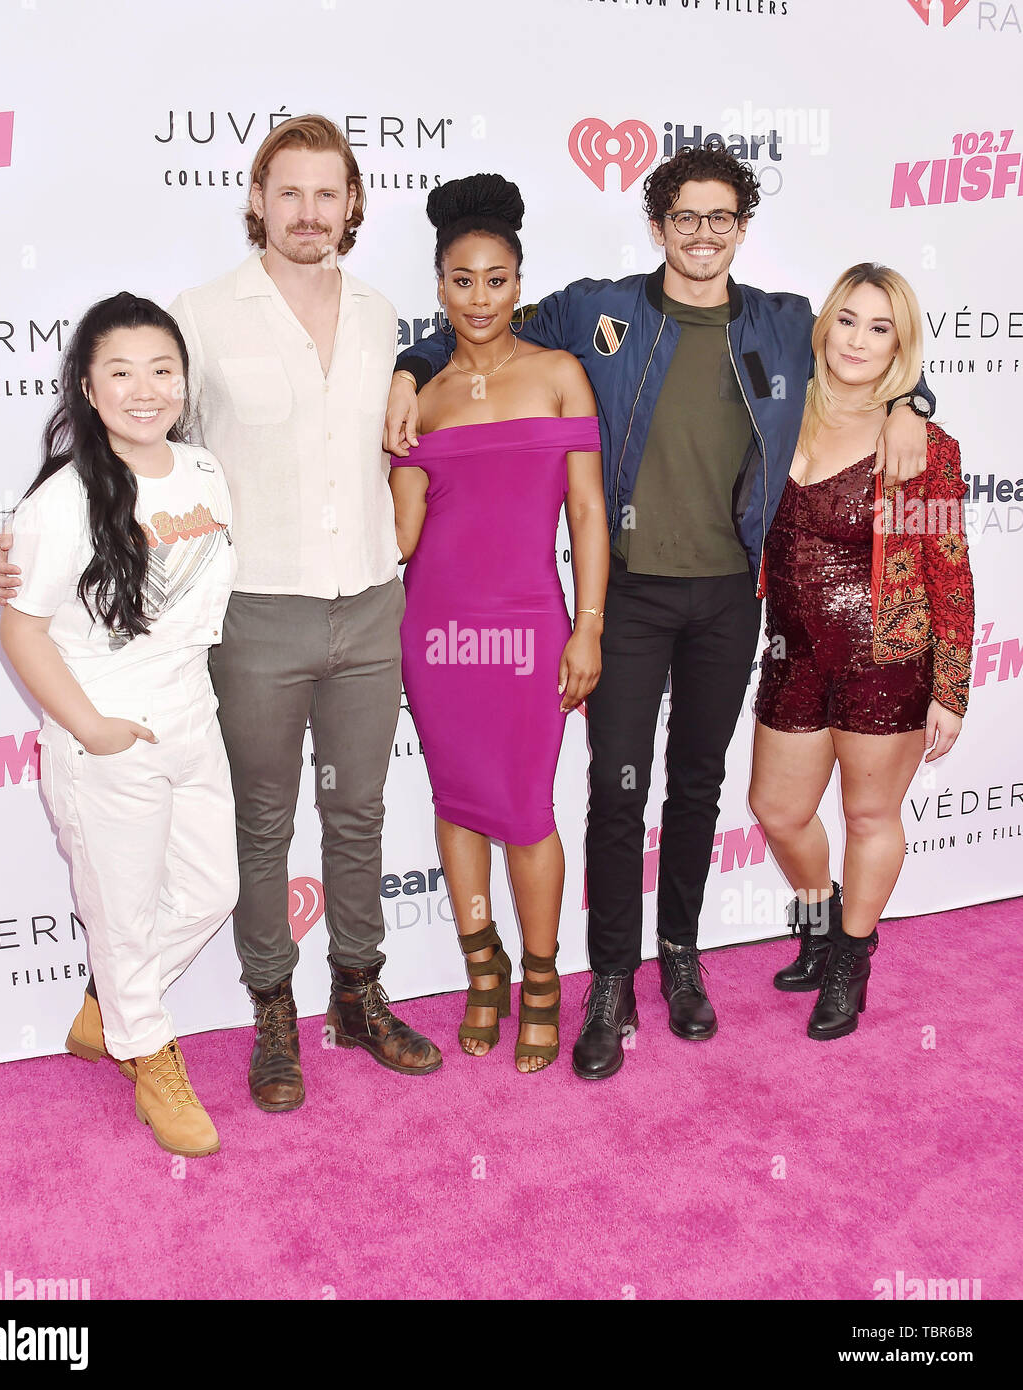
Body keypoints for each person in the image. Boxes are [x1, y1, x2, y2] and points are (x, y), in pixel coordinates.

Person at [386, 142, 935, 1081]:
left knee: (696, 787)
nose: (703, 234)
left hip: (729, 595)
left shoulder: (781, 321)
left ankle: (678, 958)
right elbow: (485, 324)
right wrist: (409, 363)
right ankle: (608, 978)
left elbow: (870, 353)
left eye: (721, 218)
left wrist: (912, 401)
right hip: (630, 595)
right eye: (686, 217)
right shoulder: (599, 309)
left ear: (742, 229)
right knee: (615, 791)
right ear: (659, 225)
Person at [0, 115, 441, 1111]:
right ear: (258, 200)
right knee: (261, 827)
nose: (310, 212)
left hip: (370, 599)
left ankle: (359, 993)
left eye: (329, 193)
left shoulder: (378, 314)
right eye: (291, 192)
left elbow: (433, 369)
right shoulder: (202, 314)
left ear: (354, 203)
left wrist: (412, 372)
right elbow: (131, 425)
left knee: (359, 810)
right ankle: (272, 1011)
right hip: (253, 614)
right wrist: (32, 523)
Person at [0, 293, 238, 1157]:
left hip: (192, 716)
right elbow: (20, 630)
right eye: (122, 373)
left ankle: (110, 1010)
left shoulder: (205, 471)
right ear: (89, 391)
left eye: (163, 369)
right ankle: (150, 1054)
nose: (147, 390)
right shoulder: (64, 501)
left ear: (184, 379)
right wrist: (92, 728)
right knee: (126, 915)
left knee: (214, 889)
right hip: (105, 730)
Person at [389, 174, 608, 1072]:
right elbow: (403, 535)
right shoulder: (422, 396)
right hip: (436, 633)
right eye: (461, 279)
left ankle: (545, 980)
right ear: (437, 286)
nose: (479, 298)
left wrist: (586, 626)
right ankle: (485, 972)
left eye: (497, 279)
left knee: (524, 810)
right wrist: (384, 435)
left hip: (529, 631)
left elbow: (589, 514)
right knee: (459, 805)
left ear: (521, 282)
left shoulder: (560, 377)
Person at [749, 263, 973, 1039]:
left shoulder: (921, 446)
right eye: (847, 320)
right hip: (792, 652)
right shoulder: (774, 412)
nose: (858, 340)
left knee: (870, 815)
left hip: (888, 661)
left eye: (880, 328)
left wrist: (953, 689)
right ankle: (821, 919)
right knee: (778, 811)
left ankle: (850, 955)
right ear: (824, 326)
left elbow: (951, 569)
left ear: (901, 345)